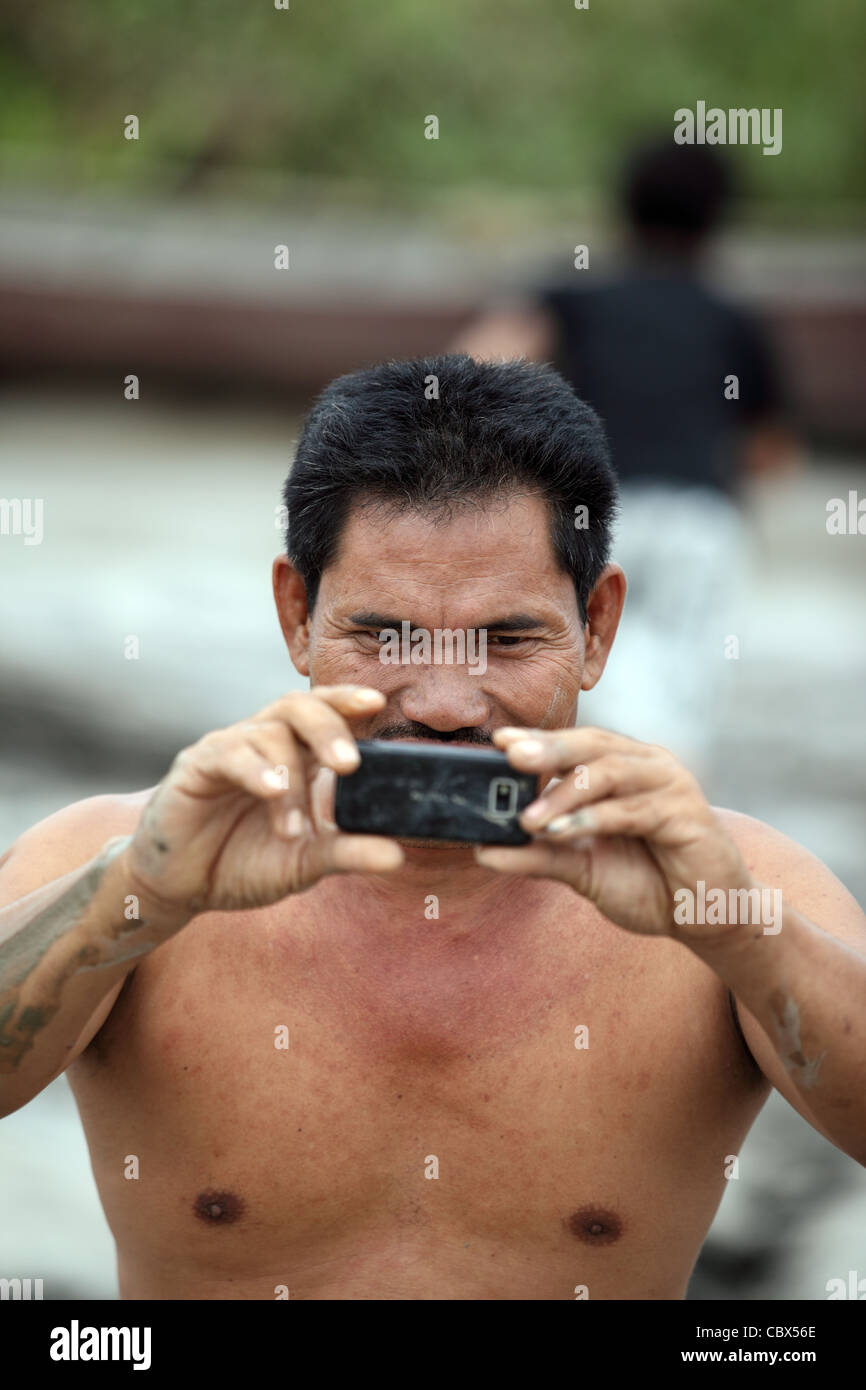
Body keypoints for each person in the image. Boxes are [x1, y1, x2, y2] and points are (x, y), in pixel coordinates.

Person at [0, 355, 862, 1302]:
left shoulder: (739, 883)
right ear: (298, 614)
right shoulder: (119, 859)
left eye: (507, 639)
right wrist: (136, 899)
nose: (448, 704)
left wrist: (734, 929)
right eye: (385, 637)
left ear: (599, 626)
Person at [452, 138, 799, 773]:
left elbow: (471, 370)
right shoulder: (736, 319)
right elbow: (770, 451)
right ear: (719, 219)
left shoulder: (572, 295)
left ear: (622, 207)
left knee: (576, 667)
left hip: (591, 510)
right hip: (703, 519)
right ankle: (660, 820)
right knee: (677, 693)